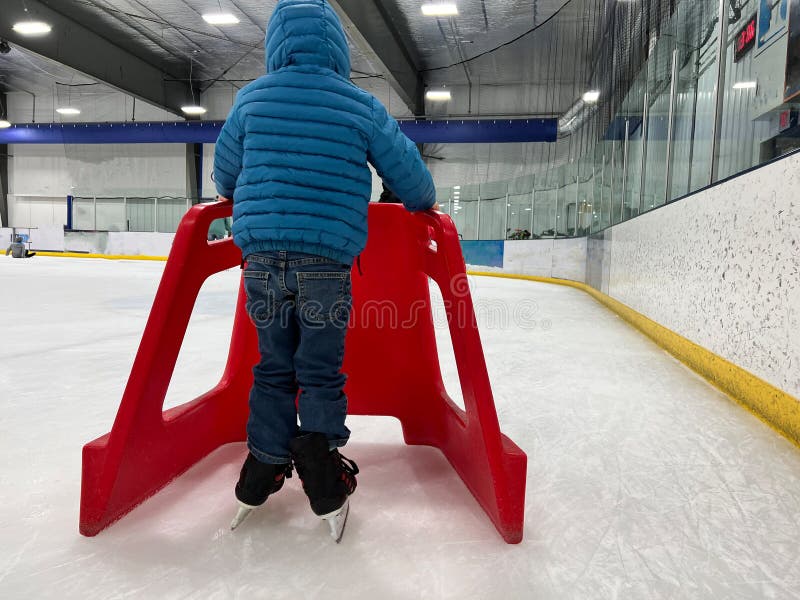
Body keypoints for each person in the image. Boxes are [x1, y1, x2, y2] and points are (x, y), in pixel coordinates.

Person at [214, 0, 437, 538]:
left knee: (273, 367)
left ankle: (261, 469)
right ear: (338, 48)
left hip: (262, 262)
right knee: (318, 370)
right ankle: (321, 474)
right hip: (325, 264)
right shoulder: (359, 104)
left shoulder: (250, 100)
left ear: (275, 45)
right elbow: (415, 183)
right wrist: (416, 202)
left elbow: (225, 176)